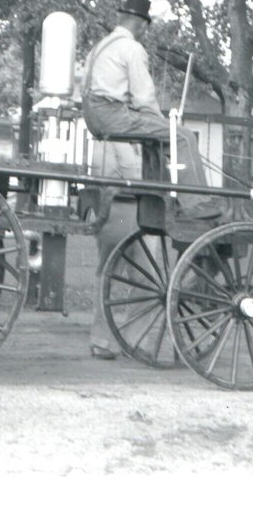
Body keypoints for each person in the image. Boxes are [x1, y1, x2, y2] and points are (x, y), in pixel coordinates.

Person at [82, 0, 220, 220]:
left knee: (155, 136)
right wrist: (167, 126)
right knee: (183, 138)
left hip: (92, 116)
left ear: (121, 18)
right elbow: (144, 100)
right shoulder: (132, 49)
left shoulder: (100, 46)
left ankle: (155, 196)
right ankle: (196, 204)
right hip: (110, 115)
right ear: (143, 26)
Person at [88, 138, 141, 360]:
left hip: (147, 211)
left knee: (148, 280)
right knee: (108, 274)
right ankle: (101, 341)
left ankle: (135, 342)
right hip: (117, 210)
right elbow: (104, 180)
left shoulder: (145, 136)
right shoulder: (108, 137)